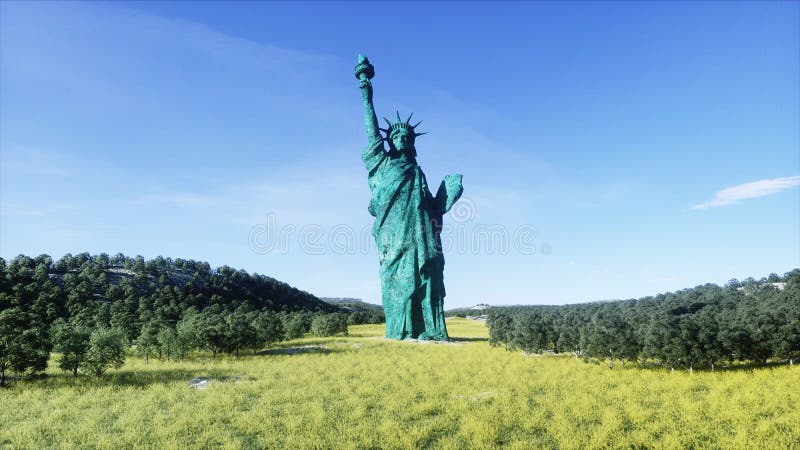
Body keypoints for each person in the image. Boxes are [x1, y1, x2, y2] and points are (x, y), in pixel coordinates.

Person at [357, 56, 463, 340]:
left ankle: (428, 330)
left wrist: (447, 197)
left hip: (420, 235)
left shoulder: (418, 173)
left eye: (407, 136)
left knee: (427, 276)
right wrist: (366, 94)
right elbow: (371, 131)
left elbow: (431, 208)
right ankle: (400, 331)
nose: (402, 139)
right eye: (397, 136)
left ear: (412, 142)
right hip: (392, 236)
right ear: (390, 141)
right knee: (395, 281)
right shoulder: (381, 164)